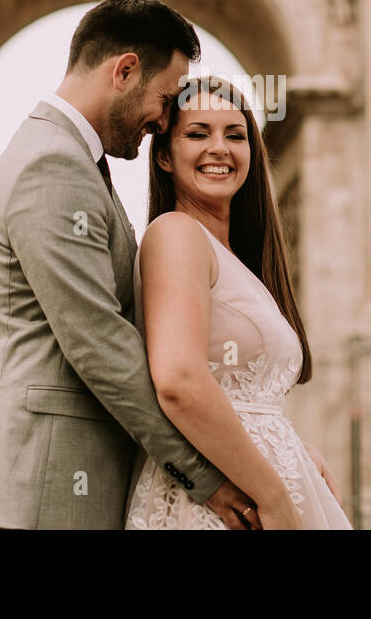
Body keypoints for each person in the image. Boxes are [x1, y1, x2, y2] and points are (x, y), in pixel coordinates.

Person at [0, 0, 258, 529]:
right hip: (46, 488)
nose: (164, 121)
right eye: (166, 99)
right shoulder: (54, 164)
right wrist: (203, 476)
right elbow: (98, 341)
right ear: (125, 71)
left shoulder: (71, 158)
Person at [125, 75, 351, 529]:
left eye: (235, 135)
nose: (219, 148)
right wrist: (274, 496)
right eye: (198, 134)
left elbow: (244, 402)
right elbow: (179, 382)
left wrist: (293, 451)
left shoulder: (240, 263)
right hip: (223, 503)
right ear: (164, 156)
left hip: (259, 484)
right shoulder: (176, 233)